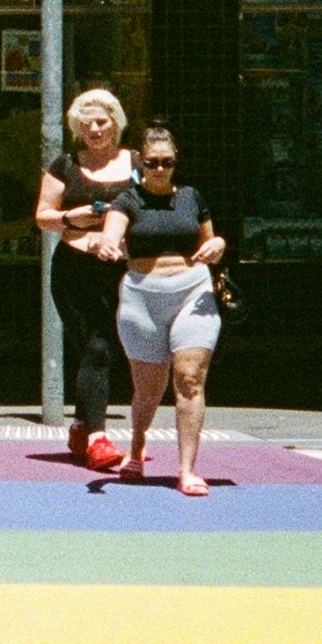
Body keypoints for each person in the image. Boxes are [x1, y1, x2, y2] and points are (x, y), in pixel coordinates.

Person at [89, 121, 229, 496]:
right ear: (141, 163)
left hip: (192, 292)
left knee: (189, 378)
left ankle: (187, 470)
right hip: (143, 296)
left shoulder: (192, 197)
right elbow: (111, 233)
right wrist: (106, 245)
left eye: (167, 162)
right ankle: (137, 446)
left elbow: (211, 239)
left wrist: (218, 245)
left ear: (175, 162)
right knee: (148, 389)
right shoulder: (127, 200)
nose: (160, 170)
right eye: (152, 163)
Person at [34, 87, 138, 470]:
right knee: (95, 347)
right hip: (75, 271)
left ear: (116, 123)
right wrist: (69, 218)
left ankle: (81, 426)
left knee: (116, 349)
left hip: (125, 270)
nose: (95, 129)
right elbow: (42, 215)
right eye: (87, 123)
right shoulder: (65, 164)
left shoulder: (139, 164)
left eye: (102, 121)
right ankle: (97, 438)